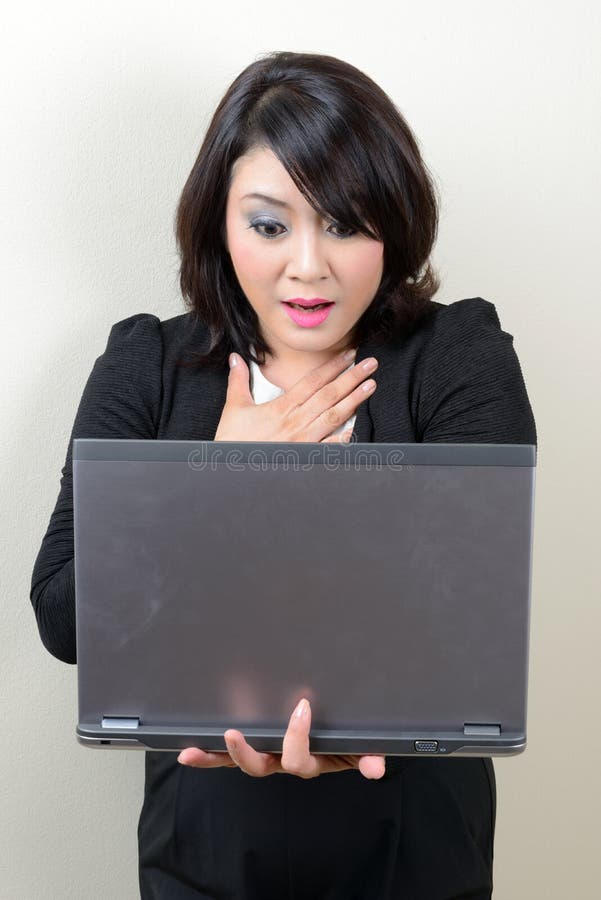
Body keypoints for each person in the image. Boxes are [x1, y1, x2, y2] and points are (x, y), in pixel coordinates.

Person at [30, 50, 537, 899]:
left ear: (393, 225)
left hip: (412, 827)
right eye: (270, 225)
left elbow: (470, 614)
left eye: (344, 223)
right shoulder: (146, 367)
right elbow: (65, 619)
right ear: (218, 226)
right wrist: (224, 475)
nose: (309, 266)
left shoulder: (460, 359)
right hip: (206, 828)